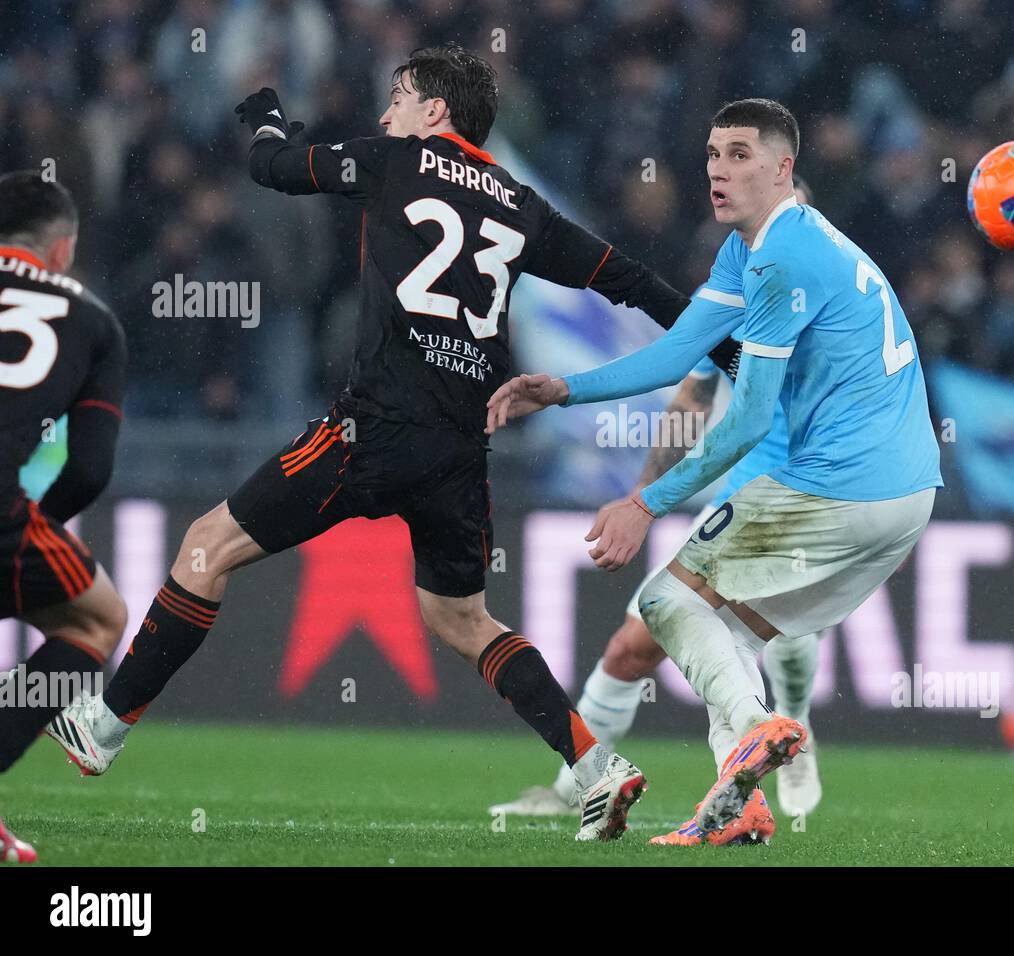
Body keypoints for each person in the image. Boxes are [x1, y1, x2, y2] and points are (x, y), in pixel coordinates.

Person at [46, 44, 733, 843]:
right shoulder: (521, 204)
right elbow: (631, 280)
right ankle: (594, 765)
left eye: (400, 98)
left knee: (206, 545)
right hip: (458, 447)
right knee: (462, 618)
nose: (385, 113)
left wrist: (264, 114)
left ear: (434, 112)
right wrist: (723, 344)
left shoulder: (394, 162)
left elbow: (273, 167)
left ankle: (105, 725)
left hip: (371, 427)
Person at [486, 98, 942, 835]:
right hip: (895, 492)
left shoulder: (783, 260)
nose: (717, 171)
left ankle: (766, 728)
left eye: (739, 156)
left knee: (671, 605)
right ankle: (741, 805)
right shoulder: (754, 252)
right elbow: (677, 359)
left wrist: (647, 503)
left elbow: (751, 417)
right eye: (712, 154)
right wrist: (566, 389)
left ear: (784, 169)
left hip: (836, 485)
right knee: (719, 635)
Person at [490, 178, 825, 848]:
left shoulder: (827, 304)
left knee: (701, 633)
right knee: (635, 646)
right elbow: (689, 405)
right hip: (743, 504)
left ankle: (767, 753)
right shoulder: (731, 300)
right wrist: (640, 496)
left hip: (803, 503)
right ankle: (599, 788)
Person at [0, 171, 129, 862]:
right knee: (97, 618)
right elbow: (88, 469)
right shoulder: (93, 321)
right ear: (61, 250)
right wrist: (30, 523)